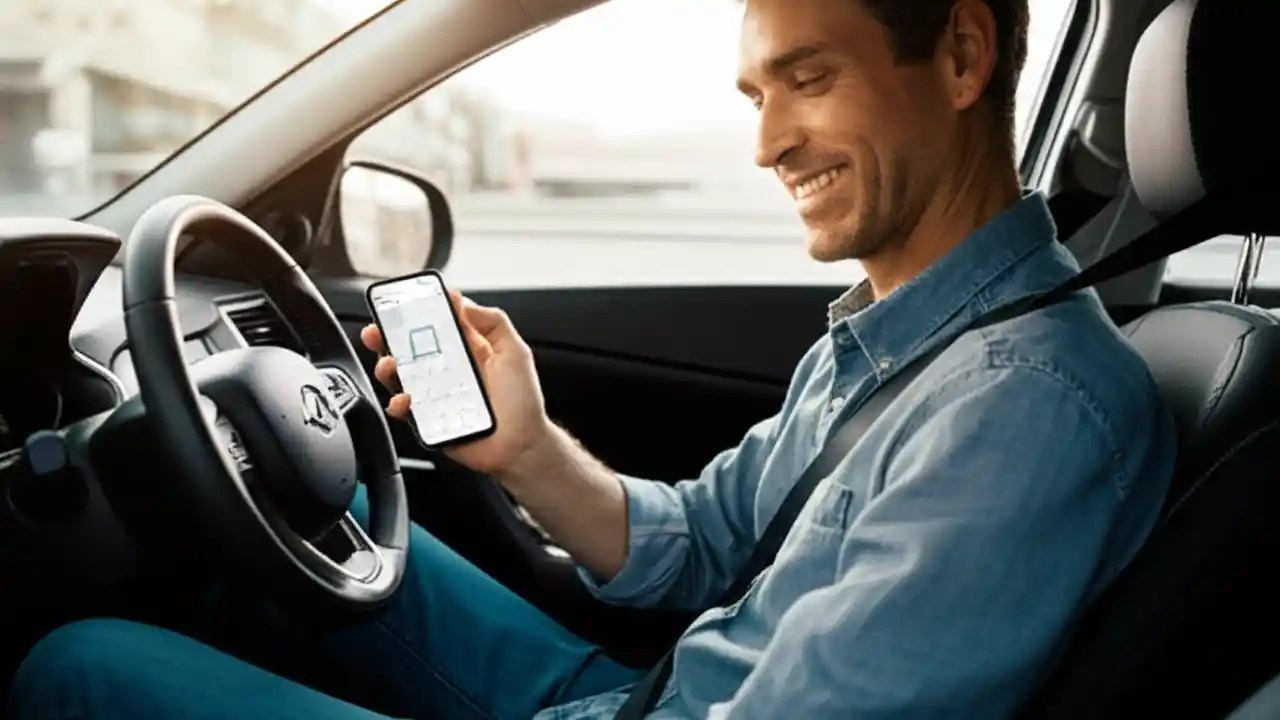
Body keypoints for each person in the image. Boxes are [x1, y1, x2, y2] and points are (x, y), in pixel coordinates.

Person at [9, 0, 1176, 718]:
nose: (767, 143)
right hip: (637, 697)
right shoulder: (909, 333)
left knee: (82, 664)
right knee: (312, 532)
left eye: (809, 79)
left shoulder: (1025, 407)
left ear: (962, 55)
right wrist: (525, 449)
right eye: (756, 94)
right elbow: (708, 541)